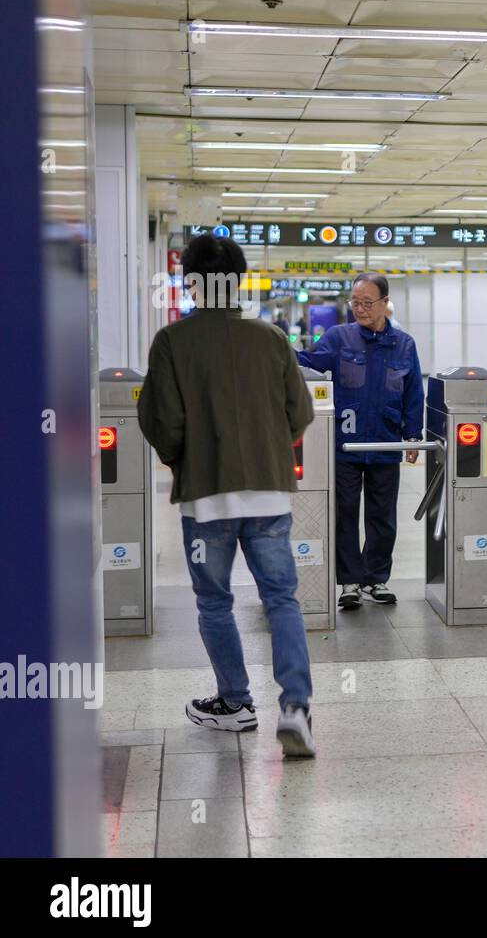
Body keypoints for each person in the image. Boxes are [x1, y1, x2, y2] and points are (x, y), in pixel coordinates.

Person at [137, 233, 317, 757]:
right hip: (270, 497)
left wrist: (183, 458)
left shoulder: (173, 342)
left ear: (191, 283)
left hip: (208, 497)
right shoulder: (272, 338)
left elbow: (163, 423)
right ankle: (296, 708)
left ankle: (235, 702)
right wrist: (266, 447)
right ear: (237, 281)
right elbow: (299, 412)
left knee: (215, 601)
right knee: (281, 598)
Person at [297, 272, 424, 610]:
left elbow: (414, 393)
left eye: (368, 303)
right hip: (346, 446)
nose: (360, 309)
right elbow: (308, 361)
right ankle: (349, 582)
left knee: (382, 516)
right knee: (346, 513)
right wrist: (277, 351)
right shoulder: (339, 338)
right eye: (355, 302)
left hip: (384, 444)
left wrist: (413, 435)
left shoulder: (404, 344)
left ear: (385, 303)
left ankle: (376, 579)